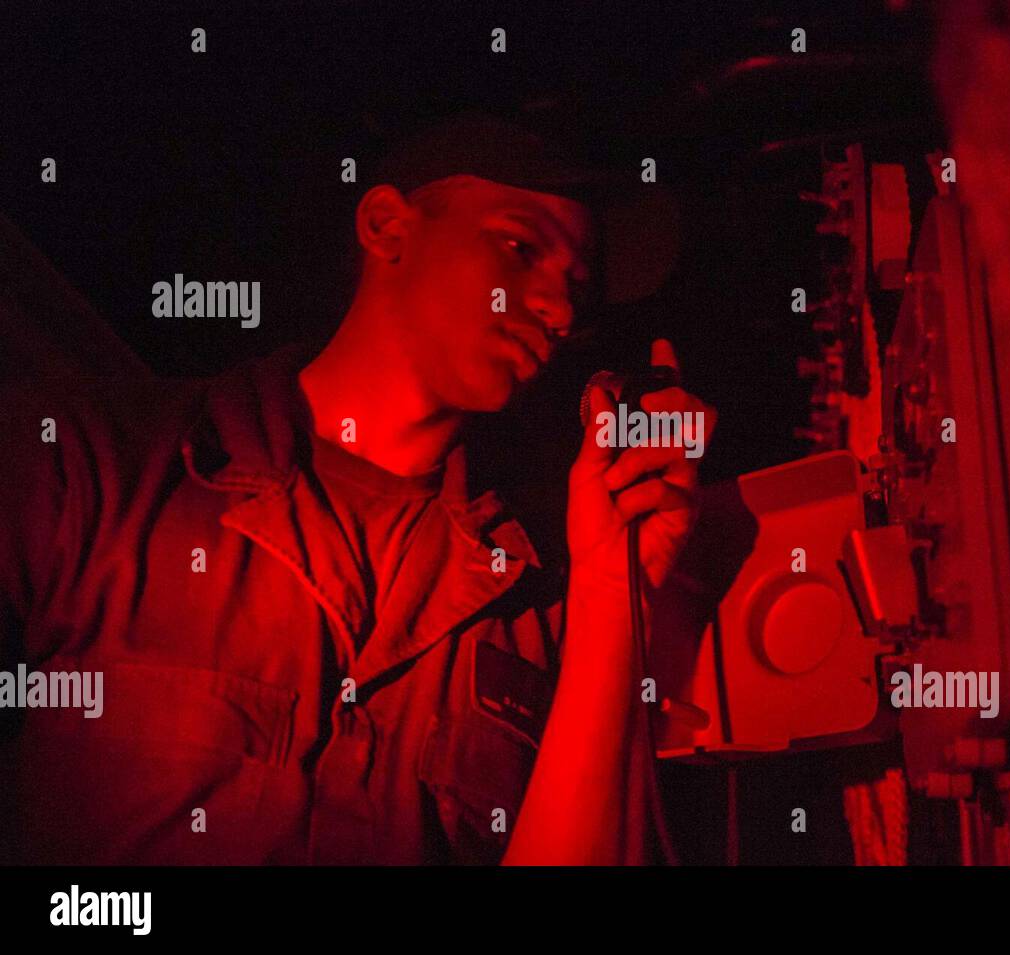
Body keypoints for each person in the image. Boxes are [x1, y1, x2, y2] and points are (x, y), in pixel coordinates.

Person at [0, 114, 714, 865]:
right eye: (520, 246)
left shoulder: (534, 612)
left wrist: (612, 585)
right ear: (386, 227)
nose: (561, 310)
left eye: (577, 288)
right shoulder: (97, 467)